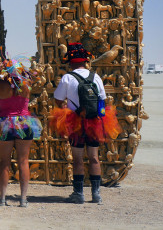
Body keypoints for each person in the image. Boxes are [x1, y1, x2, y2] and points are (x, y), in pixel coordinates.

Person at [50, 42, 121, 204]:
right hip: (94, 121)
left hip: (76, 122)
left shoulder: (68, 77)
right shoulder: (95, 77)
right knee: (94, 157)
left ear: (70, 61)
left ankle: (79, 193)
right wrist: (101, 119)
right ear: (86, 61)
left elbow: (58, 100)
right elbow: (102, 101)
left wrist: (65, 111)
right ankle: (96, 194)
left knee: (78, 158)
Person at [0, 58, 42, 207]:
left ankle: (2, 198)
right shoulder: (27, 85)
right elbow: (37, 75)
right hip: (25, 124)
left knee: (4, 162)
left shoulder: (2, 85)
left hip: (5, 124)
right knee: (23, 161)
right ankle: (23, 199)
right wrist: (24, 72)